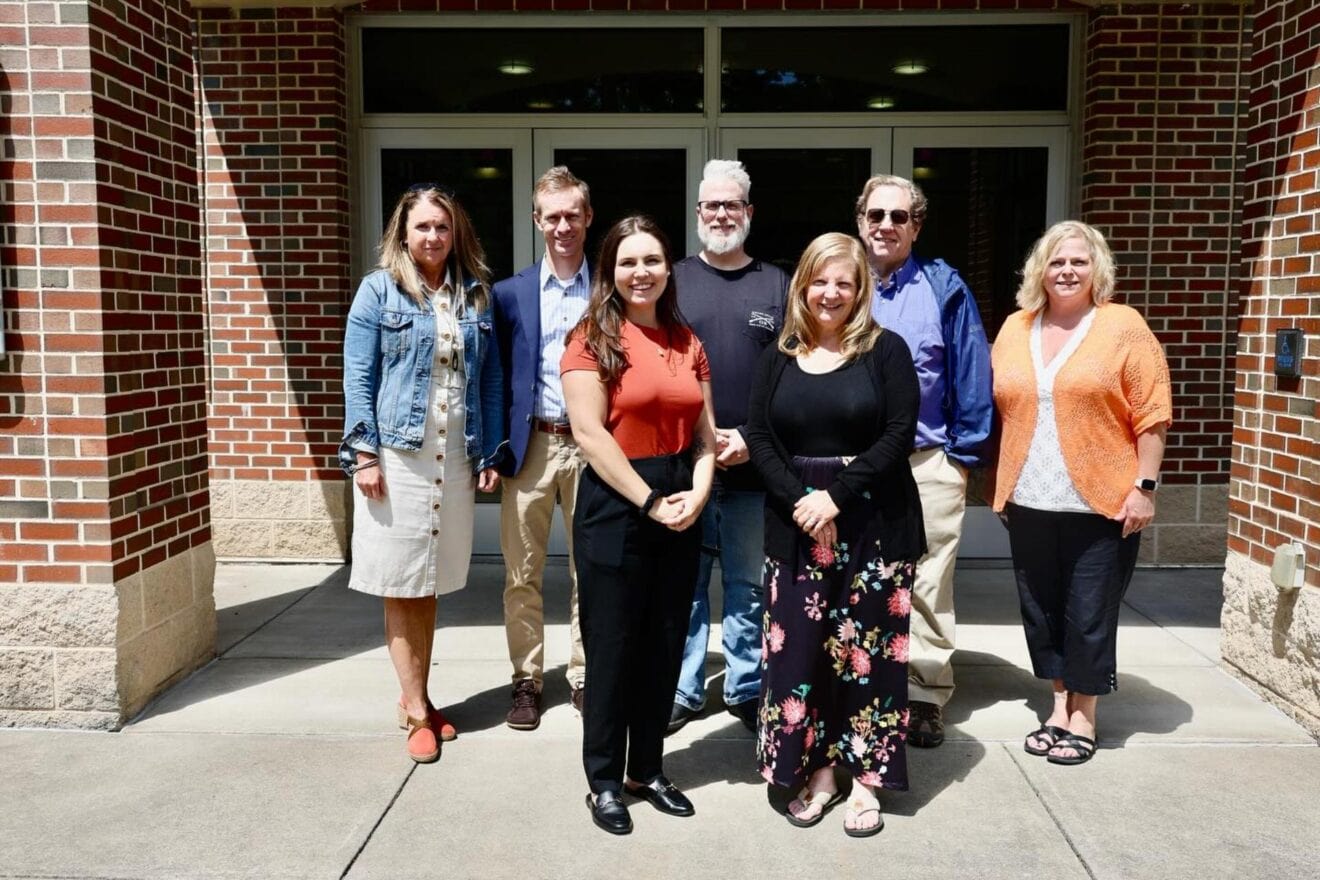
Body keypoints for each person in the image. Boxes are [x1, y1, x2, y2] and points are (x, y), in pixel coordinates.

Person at [746, 232, 925, 838]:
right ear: (802, 286)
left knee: (868, 655)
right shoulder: (778, 354)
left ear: (860, 289)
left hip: (874, 523)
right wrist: (802, 500)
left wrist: (835, 496)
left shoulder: (885, 351)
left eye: (843, 283)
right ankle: (819, 772)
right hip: (796, 525)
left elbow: (899, 433)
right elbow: (760, 437)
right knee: (801, 654)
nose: (830, 293)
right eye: (820, 281)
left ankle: (867, 778)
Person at [992, 220, 1171, 766]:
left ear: (1097, 269)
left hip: (1102, 500)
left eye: (1079, 261)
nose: (1066, 271)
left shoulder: (1123, 326)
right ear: (1039, 270)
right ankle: (1056, 706)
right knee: (1041, 609)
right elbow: (1003, 407)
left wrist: (1144, 487)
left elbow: (1153, 413)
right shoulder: (1015, 328)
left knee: (1089, 611)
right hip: (1029, 497)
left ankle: (1084, 715)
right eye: (1056, 261)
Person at [561, 215, 717, 835]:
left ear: (668, 268)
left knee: (665, 641)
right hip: (617, 503)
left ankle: (646, 769)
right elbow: (589, 434)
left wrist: (697, 495)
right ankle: (603, 780)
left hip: (681, 497)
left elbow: (705, 436)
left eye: (652, 260)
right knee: (613, 647)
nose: (641, 272)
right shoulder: (590, 339)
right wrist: (651, 502)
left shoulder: (687, 340)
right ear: (611, 271)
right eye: (628, 261)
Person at [340, 185, 506, 763]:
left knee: (429, 580)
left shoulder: (475, 294)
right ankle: (415, 709)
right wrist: (363, 454)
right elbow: (358, 375)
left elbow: (489, 380)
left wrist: (488, 454)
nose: (433, 236)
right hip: (397, 457)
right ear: (403, 233)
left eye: (442, 226)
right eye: (423, 226)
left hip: (454, 455)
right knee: (401, 580)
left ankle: (420, 697)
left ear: (455, 233)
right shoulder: (378, 290)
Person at [854, 174, 992, 748]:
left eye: (899, 216)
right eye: (876, 215)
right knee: (857, 578)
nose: (886, 226)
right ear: (860, 220)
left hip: (926, 460)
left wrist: (962, 456)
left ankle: (923, 693)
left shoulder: (943, 285)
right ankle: (861, 682)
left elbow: (971, 366)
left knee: (929, 582)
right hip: (852, 466)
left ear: (916, 226)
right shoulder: (838, 279)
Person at [669, 159, 788, 734]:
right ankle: (684, 688)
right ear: (698, 212)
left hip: (751, 466)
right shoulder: (670, 281)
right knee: (685, 587)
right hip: (681, 465)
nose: (721, 214)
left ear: (749, 211)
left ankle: (744, 688)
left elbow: (792, 374)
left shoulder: (777, 285)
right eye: (712, 205)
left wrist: (750, 437)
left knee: (747, 586)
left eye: (731, 204)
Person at [492, 167, 593, 730]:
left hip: (593, 447)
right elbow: (496, 378)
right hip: (532, 445)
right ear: (536, 221)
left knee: (591, 569)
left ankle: (584, 675)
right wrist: (492, 451)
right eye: (552, 216)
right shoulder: (510, 293)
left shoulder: (609, 288)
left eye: (572, 215)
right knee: (522, 571)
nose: (563, 226)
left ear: (588, 217)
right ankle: (526, 680)